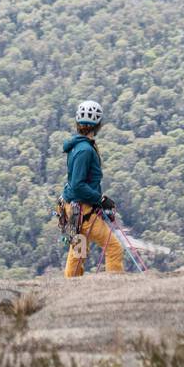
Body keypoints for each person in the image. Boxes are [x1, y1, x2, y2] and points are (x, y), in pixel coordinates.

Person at [60, 99, 124, 277]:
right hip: (83, 210)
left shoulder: (77, 147)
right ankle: (116, 289)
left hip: (76, 209)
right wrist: (100, 199)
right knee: (114, 248)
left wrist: (98, 199)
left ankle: (70, 287)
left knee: (79, 251)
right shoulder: (85, 150)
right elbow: (79, 185)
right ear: (98, 124)